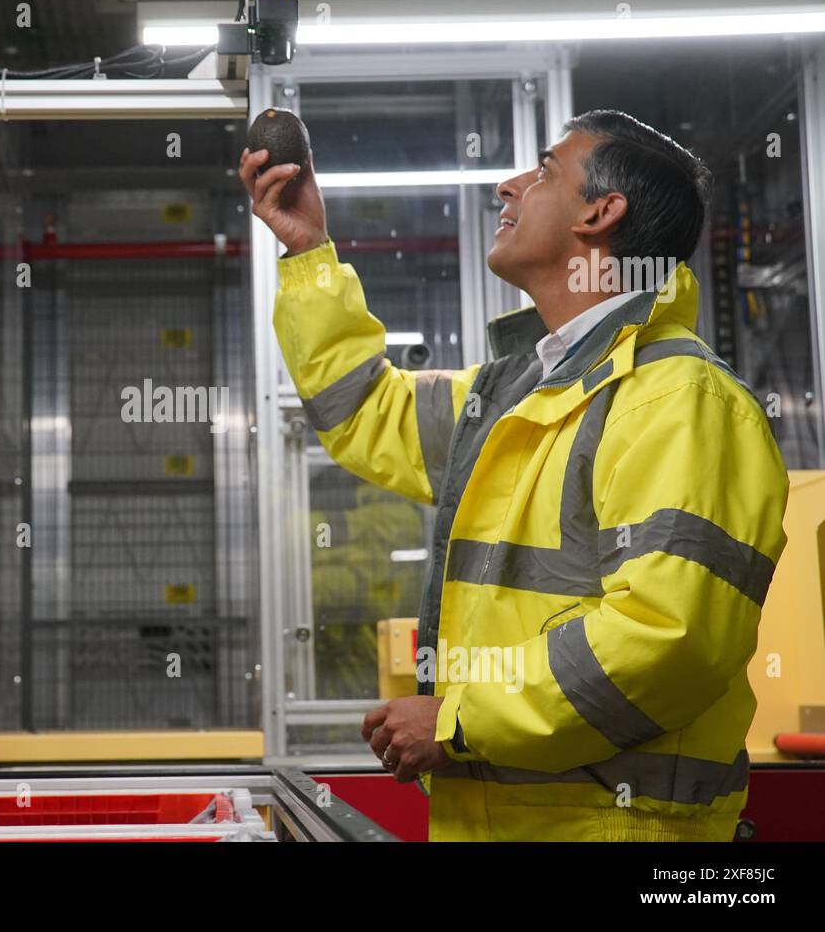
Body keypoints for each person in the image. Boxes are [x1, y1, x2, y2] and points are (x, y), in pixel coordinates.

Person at [241, 108, 789, 841]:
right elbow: (365, 410)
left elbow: (669, 638)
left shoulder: (681, 400)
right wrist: (309, 251)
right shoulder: (510, 396)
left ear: (601, 212)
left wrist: (461, 716)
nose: (508, 185)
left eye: (543, 169)